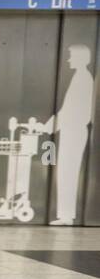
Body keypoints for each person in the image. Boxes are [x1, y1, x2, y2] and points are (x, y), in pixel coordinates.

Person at [44, 44, 95, 226]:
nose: (68, 59)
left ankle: (66, 215)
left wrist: (48, 127)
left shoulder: (83, 79)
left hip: (74, 131)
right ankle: (66, 215)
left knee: (68, 172)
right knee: (66, 171)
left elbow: (69, 111)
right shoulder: (81, 78)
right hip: (71, 130)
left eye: (71, 56)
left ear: (81, 58)